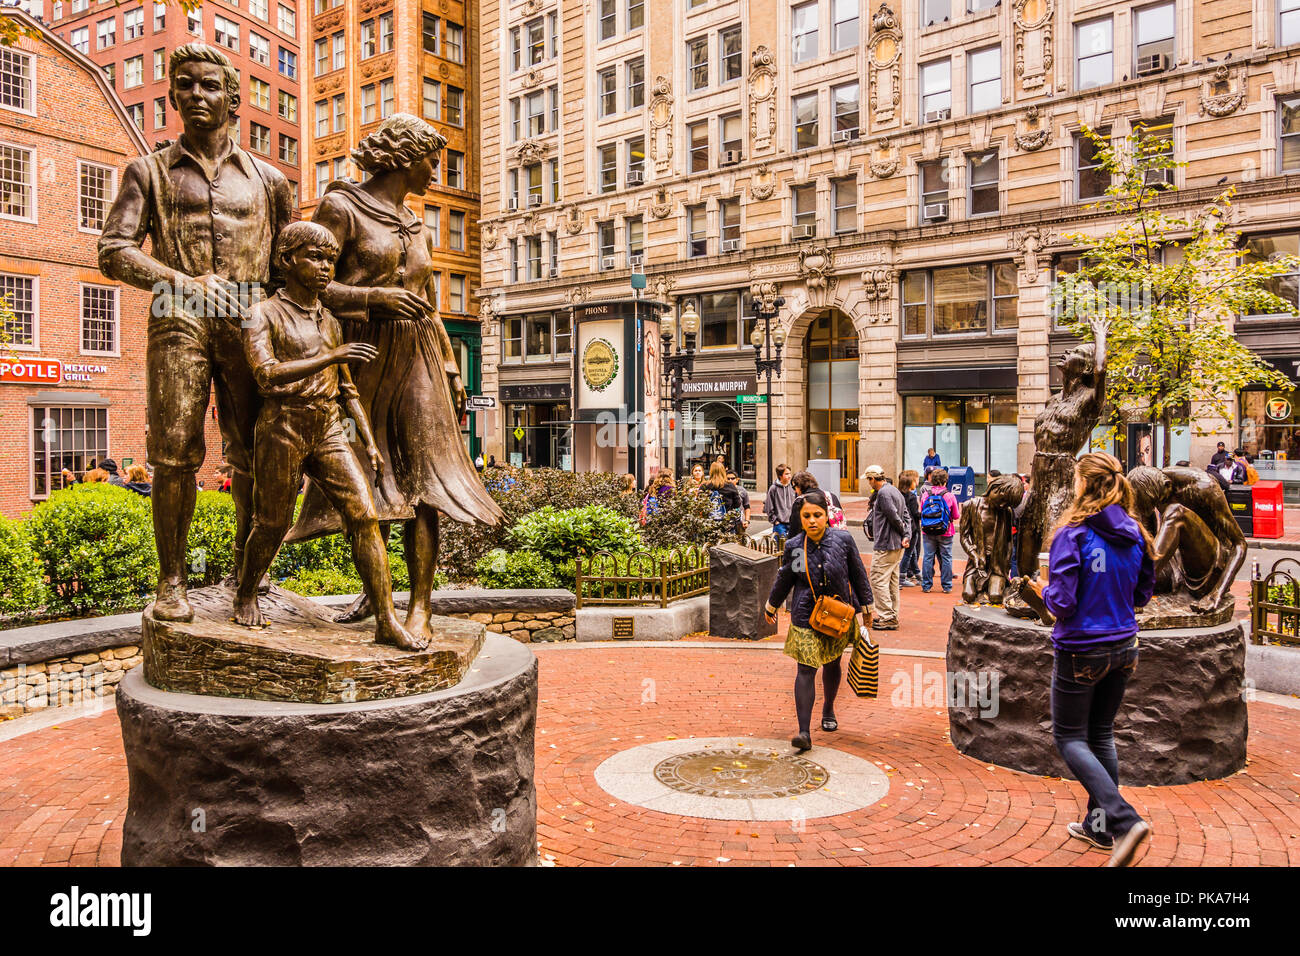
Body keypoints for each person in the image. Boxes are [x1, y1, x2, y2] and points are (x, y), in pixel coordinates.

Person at [286, 114, 503, 643]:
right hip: (363, 353)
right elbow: (307, 285)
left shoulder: (414, 221)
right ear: (406, 157)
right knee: (371, 473)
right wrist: (371, 298)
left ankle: (421, 605)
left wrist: (452, 365)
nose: (437, 171)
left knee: (424, 474)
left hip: (419, 352)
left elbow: (427, 304)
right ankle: (377, 594)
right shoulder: (342, 207)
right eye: (433, 160)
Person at [98, 43, 296, 623]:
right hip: (175, 319)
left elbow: (290, 268)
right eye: (184, 85)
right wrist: (183, 281)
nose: (196, 96)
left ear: (234, 98)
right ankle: (171, 582)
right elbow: (113, 251)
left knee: (256, 453)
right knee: (174, 455)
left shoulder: (269, 181)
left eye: (209, 86)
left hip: (250, 323)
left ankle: (249, 579)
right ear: (172, 95)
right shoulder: (149, 171)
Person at [236, 221, 422, 650]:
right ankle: (246, 592)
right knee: (272, 522)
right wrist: (330, 356)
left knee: (364, 514)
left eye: (330, 260)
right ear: (287, 261)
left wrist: (371, 444)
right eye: (315, 258)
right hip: (282, 425)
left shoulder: (331, 321)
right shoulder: (262, 314)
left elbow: (348, 389)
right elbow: (265, 375)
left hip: (327, 428)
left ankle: (386, 620)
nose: (325, 268)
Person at [1024, 452, 1155, 867]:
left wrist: (1040, 590)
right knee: (1101, 734)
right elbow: (1142, 595)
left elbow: (1061, 602)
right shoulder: (1136, 532)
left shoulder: (1073, 532)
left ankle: (1122, 819)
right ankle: (1100, 828)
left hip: (1081, 648)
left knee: (1070, 738)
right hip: (1124, 646)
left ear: (1083, 484)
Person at [764, 490, 873, 752]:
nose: (812, 520)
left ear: (827, 516)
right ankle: (803, 731)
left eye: (817, 515)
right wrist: (771, 604)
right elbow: (786, 577)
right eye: (806, 516)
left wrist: (867, 607)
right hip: (805, 616)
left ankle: (828, 708)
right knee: (806, 669)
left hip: (838, 614)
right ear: (800, 518)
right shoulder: (795, 546)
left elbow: (858, 574)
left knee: (833, 663)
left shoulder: (843, 541)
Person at [863, 465, 909, 630]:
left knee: (877, 579)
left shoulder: (883, 493)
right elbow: (905, 516)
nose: (869, 484)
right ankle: (891, 614)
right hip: (896, 544)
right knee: (891, 581)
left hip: (886, 544)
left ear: (873, 479)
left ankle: (887, 616)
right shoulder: (895, 490)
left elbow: (895, 518)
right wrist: (906, 535)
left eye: (869, 480)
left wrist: (904, 532)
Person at [918, 467, 961, 593]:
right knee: (946, 557)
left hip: (928, 531)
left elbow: (921, 511)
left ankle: (926, 585)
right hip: (945, 531)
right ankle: (947, 586)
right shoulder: (950, 495)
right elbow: (956, 515)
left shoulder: (926, 494)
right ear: (945, 481)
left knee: (927, 557)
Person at [898, 470, 922, 586]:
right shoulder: (911, 497)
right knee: (909, 553)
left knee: (912, 553)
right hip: (913, 528)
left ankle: (918, 574)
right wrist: (925, 514)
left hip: (904, 526)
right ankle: (901, 577)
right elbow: (915, 514)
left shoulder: (899, 495)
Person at [702, 462, 743, 529]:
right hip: (727, 522)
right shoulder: (730, 486)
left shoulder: (705, 486)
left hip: (709, 523)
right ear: (723, 472)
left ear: (711, 472)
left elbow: (699, 504)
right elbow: (737, 504)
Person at [764, 464, 796, 539]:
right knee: (781, 548)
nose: (789, 476)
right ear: (780, 475)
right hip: (780, 524)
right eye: (786, 474)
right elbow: (769, 506)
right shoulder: (773, 488)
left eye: (789, 473)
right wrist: (775, 521)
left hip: (792, 523)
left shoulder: (793, 487)